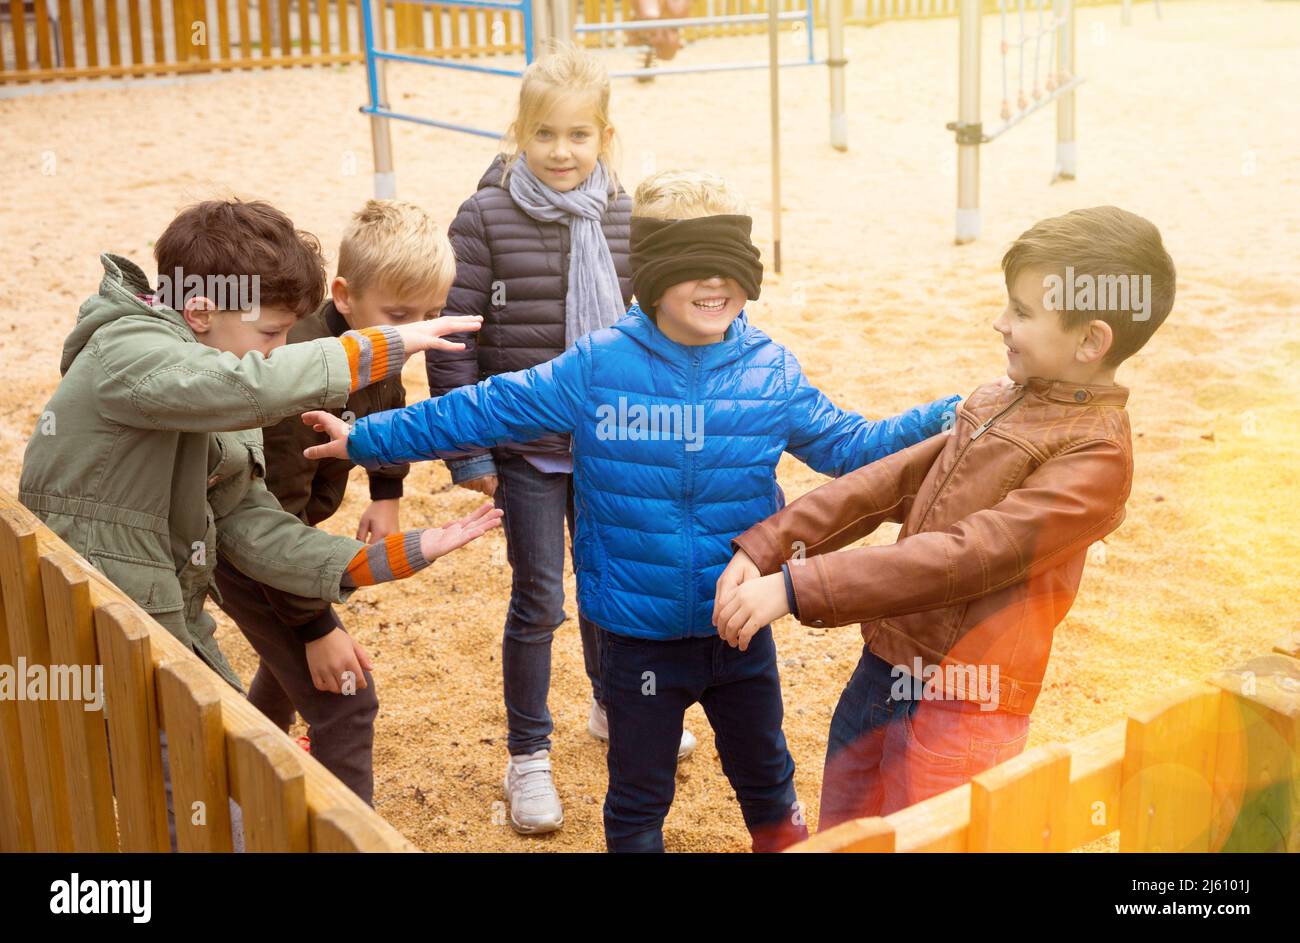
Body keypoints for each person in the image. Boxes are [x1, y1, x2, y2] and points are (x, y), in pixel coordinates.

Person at [302, 170, 961, 851]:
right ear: (649, 273)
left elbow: (853, 445)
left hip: (737, 625)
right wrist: (366, 438)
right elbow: (483, 407)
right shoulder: (599, 367)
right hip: (635, 634)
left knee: (768, 777)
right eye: (694, 268)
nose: (716, 285)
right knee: (639, 797)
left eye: (730, 267)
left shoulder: (770, 371)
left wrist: (945, 415)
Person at [714, 206, 1176, 828]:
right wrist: (770, 546)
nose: (1000, 322)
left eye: (1022, 312)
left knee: (932, 839)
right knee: (848, 832)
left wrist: (798, 587)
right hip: (886, 666)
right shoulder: (997, 397)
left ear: (1091, 340)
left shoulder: (1095, 456)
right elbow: (894, 481)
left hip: (965, 704)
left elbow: (971, 553)